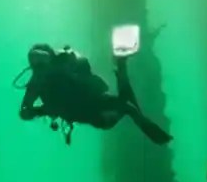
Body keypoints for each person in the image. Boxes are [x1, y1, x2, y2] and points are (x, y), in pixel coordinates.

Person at [17, 43, 172, 146]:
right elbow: (24, 111)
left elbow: (79, 63)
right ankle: (121, 67)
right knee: (124, 109)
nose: (41, 69)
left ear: (51, 58)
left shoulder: (64, 62)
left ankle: (121, 67)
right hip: (85, 112)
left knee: (126, 108)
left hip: (93, 103)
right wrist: (36, 111)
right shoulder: (36, 82)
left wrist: (40, 110)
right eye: (36, 65)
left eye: (42, 62)